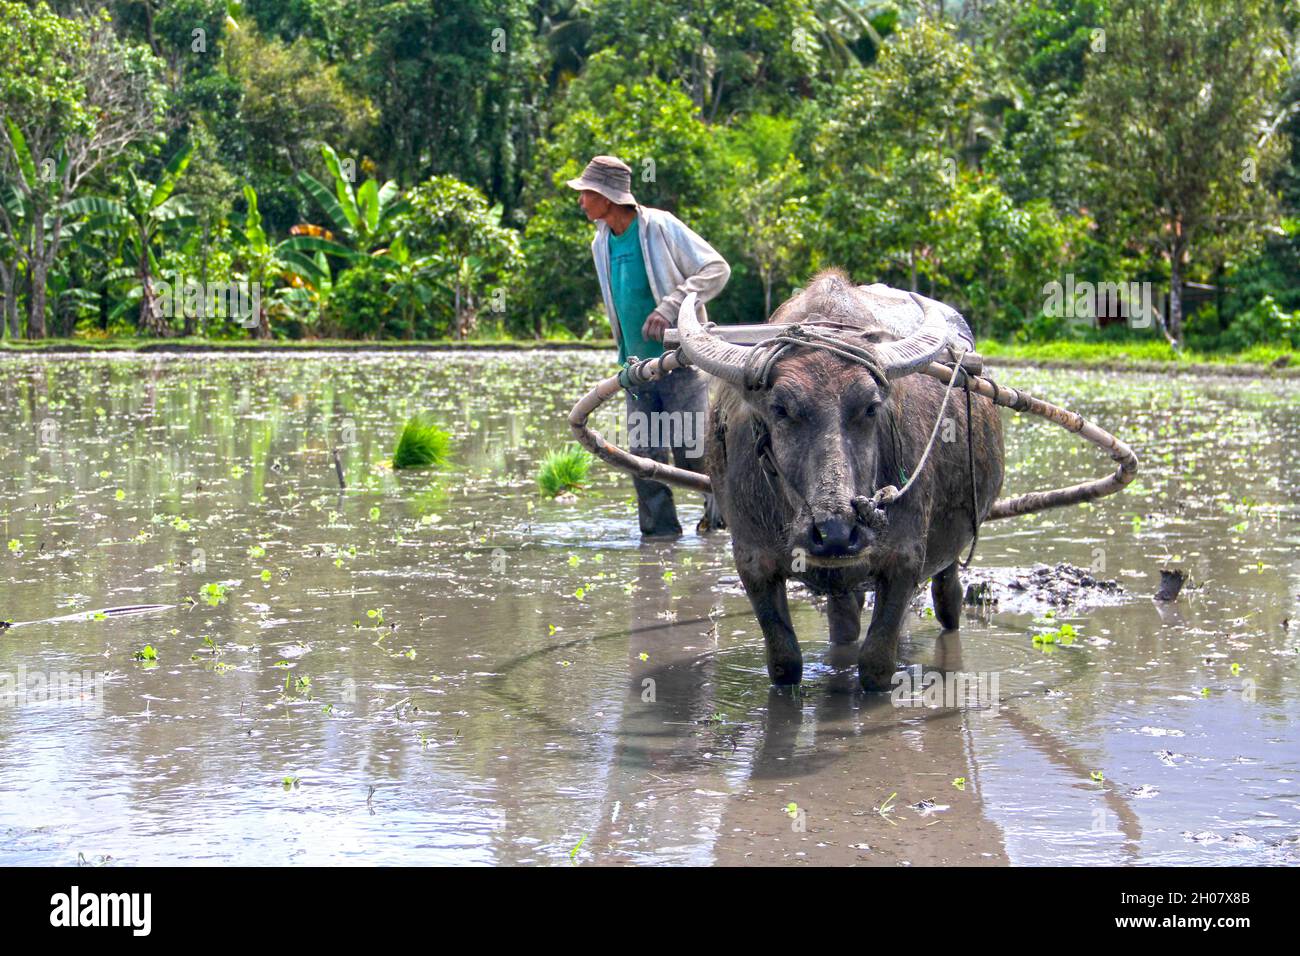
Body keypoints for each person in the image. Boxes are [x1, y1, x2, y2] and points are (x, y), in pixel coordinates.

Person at [567, 154, 728, 537]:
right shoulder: (600, 242)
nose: (581, 201)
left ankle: (723, 528)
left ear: (606, 197)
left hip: (679, 362)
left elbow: (716, 268)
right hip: (634, 369)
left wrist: (670, 306)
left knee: (693, 452)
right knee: (643, 460)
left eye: (586, 193)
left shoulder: (660, 226)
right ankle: (659, 541)